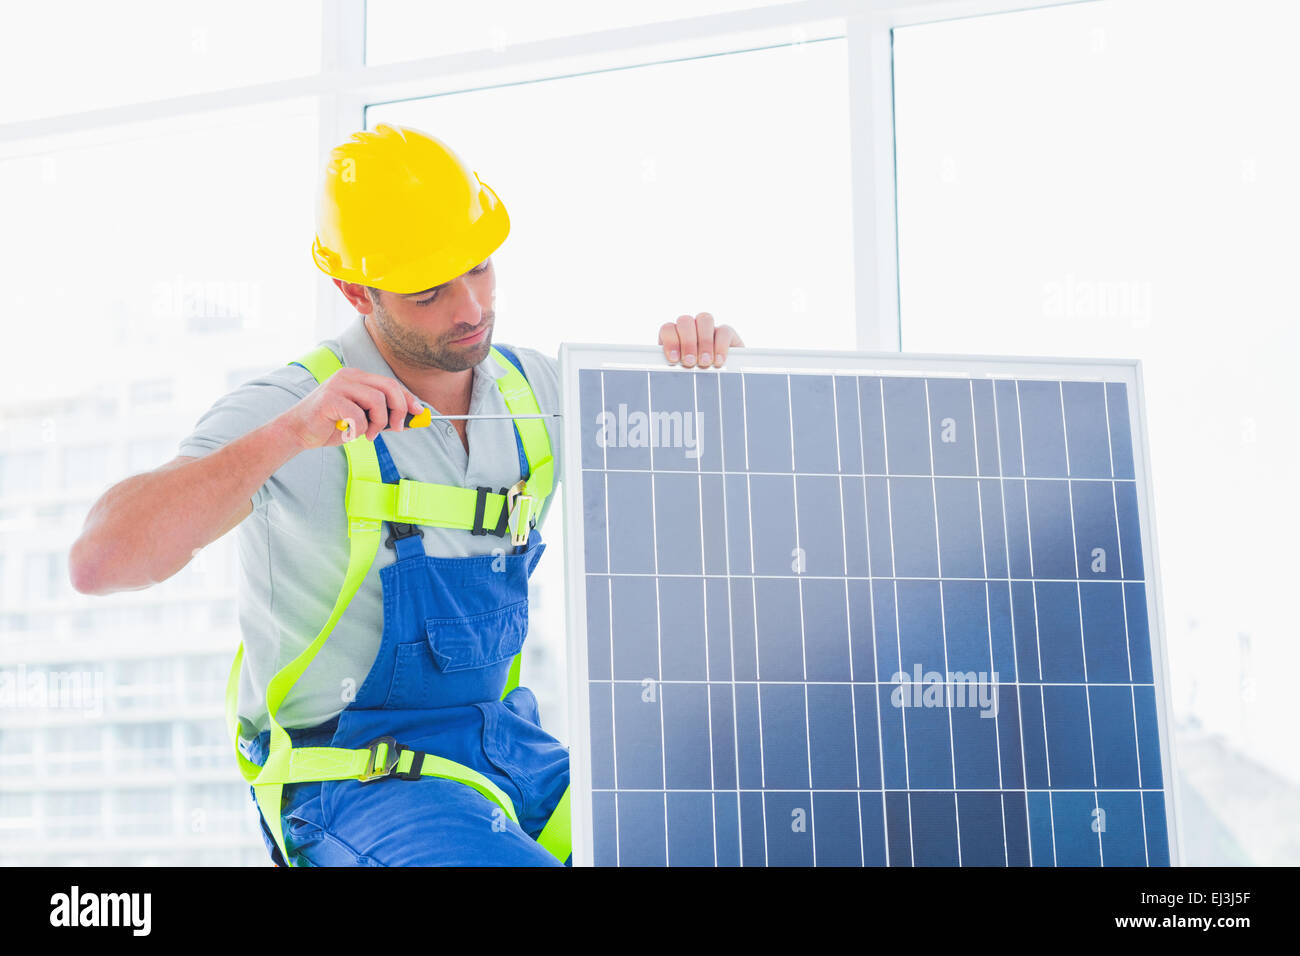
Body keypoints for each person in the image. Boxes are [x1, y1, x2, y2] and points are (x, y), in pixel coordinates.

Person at [69, 123, 744, 866]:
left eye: (480, 269)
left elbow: (716, 489)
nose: (470, 308)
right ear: (356, 291)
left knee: (719, 836)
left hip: (508, 752)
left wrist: (716, 378)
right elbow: (100, 562)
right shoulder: (292, 408)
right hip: (354, 779)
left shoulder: (534, 392)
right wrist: (285, 439)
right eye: (429, 292)